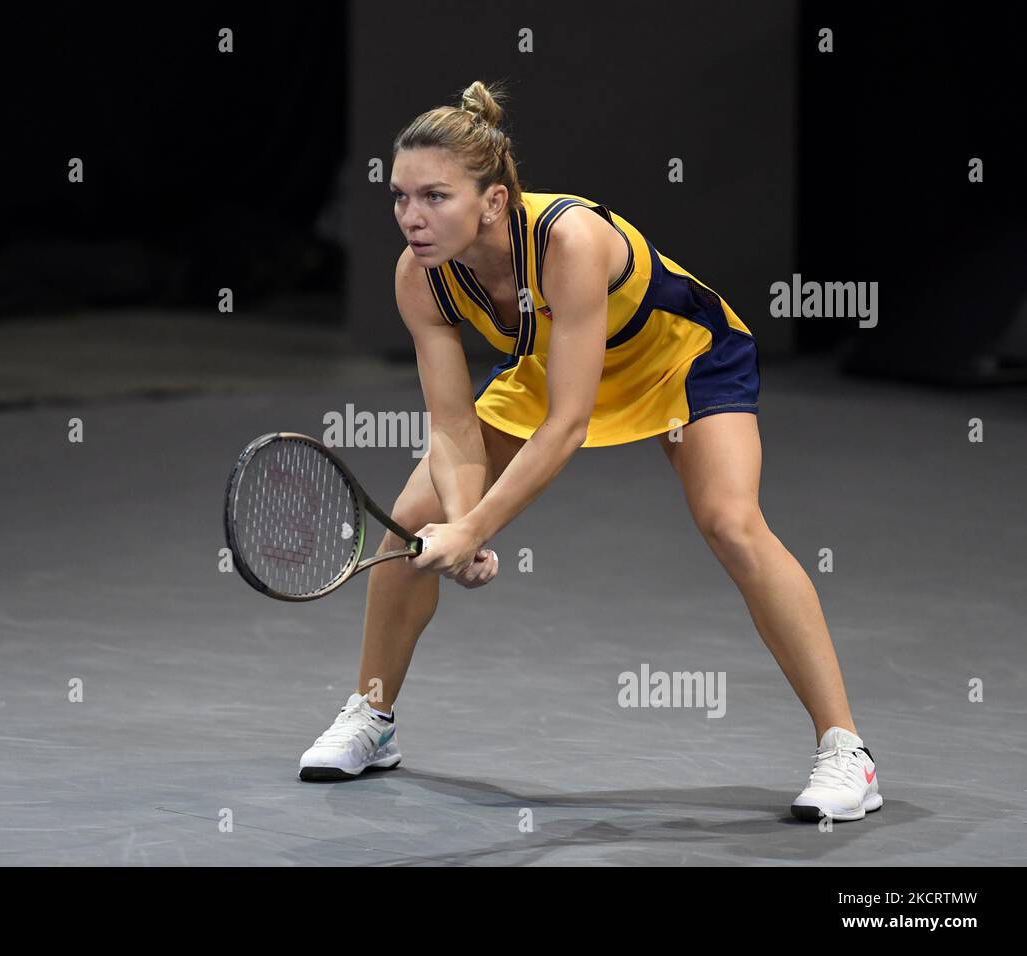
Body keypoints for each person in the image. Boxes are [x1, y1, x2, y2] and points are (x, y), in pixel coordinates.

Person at [299, 80, 881, 823]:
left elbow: (566, 428)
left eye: (435, 197)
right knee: (411, 521)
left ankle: (847, 752)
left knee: (731, 524)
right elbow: (450, 428)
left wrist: (477, 528)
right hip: (553, 371)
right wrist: (456, 519)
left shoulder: (568, 241)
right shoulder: (421, 277)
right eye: (399, 196)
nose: (412, 217)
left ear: (494, 202)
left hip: (682, 362)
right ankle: (372, 716)